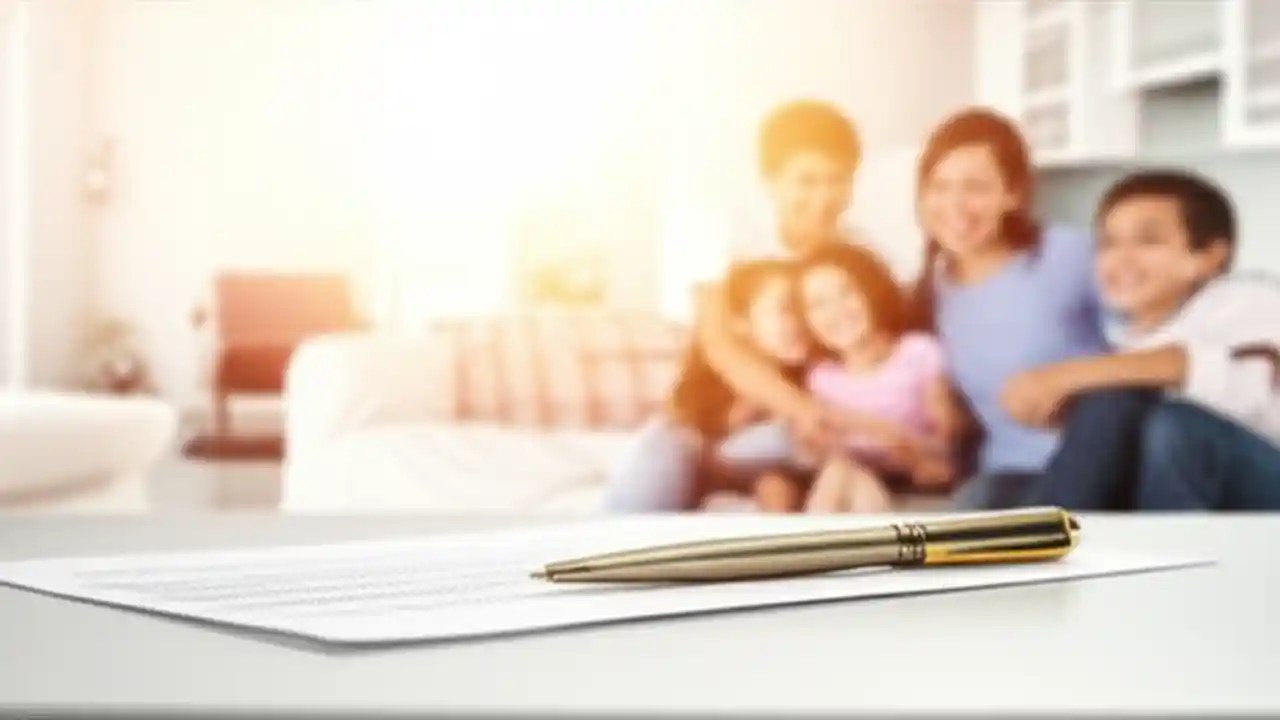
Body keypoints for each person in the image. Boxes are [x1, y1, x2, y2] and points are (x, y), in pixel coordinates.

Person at [604, 99, 869, 511]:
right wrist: (804, 411)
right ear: (771, 180)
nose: (823, 197)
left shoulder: (853, 256)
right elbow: (720, 344)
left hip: (778, 437)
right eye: (807, 181)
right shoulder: (727, 234)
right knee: (643, 492)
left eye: (837, 180)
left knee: (785, 480)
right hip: (703, 421)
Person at [1003, 171, 1280, 510]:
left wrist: (1063, 376)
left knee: (1174, 427)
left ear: (1209, 258)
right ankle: (1059, 541)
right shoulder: (1125, 343)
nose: (1122, 258)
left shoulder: (1244, 298)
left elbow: (1240, 381)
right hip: (1191, 500)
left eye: (1148, 241)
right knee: (993, 490)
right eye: (1109, 243)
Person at [910, 108, 1114, 510]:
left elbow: (1156, 342)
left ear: (1014, 194)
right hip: (1006, 476)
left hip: (1101, 469)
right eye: (940, 186)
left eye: (976, 187)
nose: (956, 205)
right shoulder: (933, 287)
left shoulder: (1067, 254)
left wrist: (1062, 380)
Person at [796, 244, 958, 513]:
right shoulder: (821, 378)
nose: (836, 311)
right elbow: (819, 452)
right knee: (841, 470)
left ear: (871, 290)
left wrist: (886, 439)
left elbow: (947, 448)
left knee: (845, 472)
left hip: (913, 479)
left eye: (846, 292)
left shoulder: (917, 353)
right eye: (818, 304)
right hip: (851, 483)